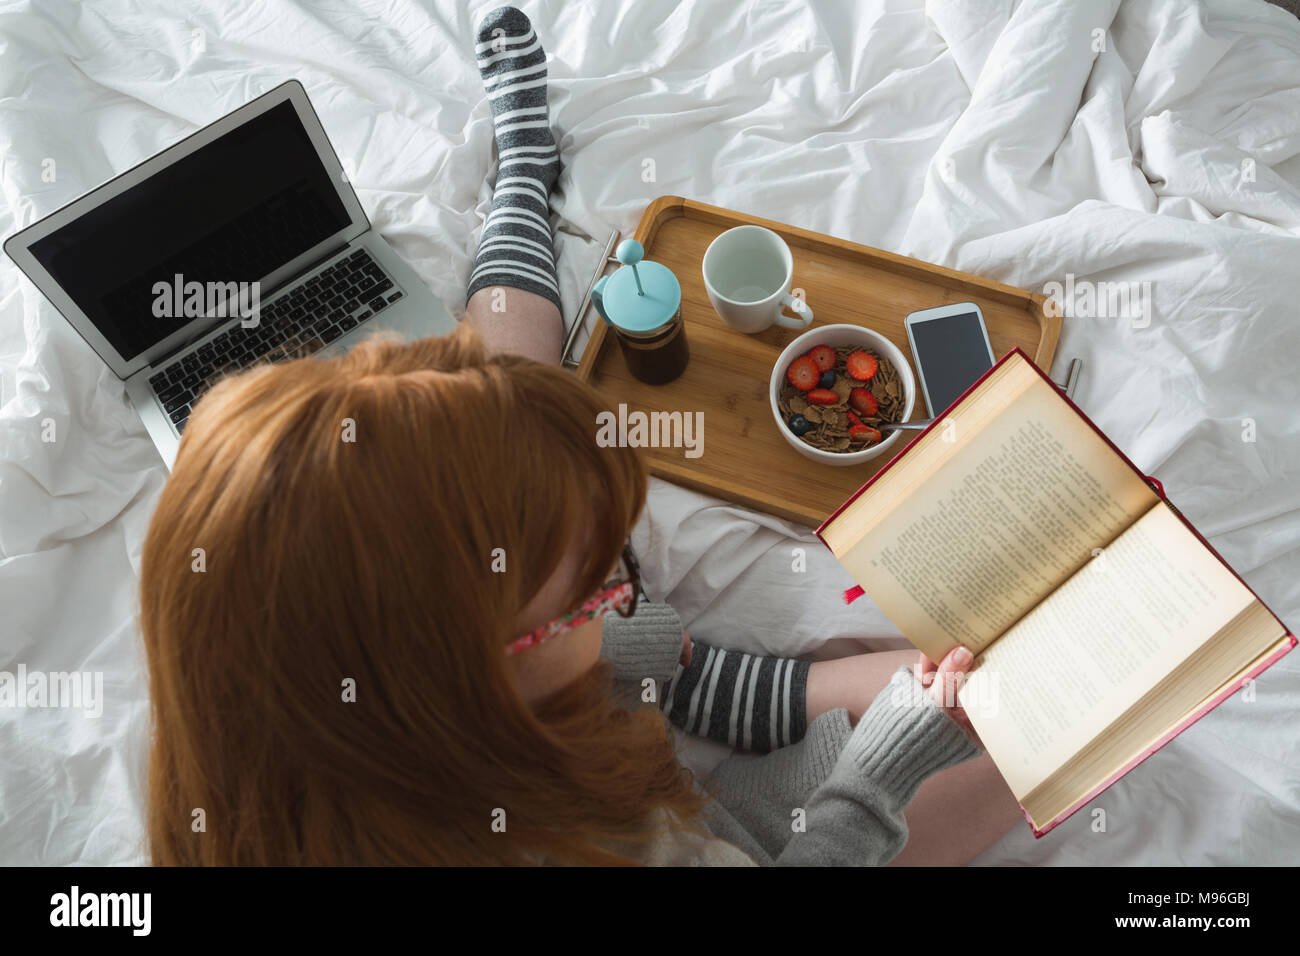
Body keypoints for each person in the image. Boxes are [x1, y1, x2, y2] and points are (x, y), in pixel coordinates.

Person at [139, 6, 1020, 866]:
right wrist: (875, 782)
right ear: (471, 677)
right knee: (1025, 727)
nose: (626, 587)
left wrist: (617, 642)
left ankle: (524, 178)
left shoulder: (285, 705)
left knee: (500, 398)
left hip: (572, 724)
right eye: (596, 594)